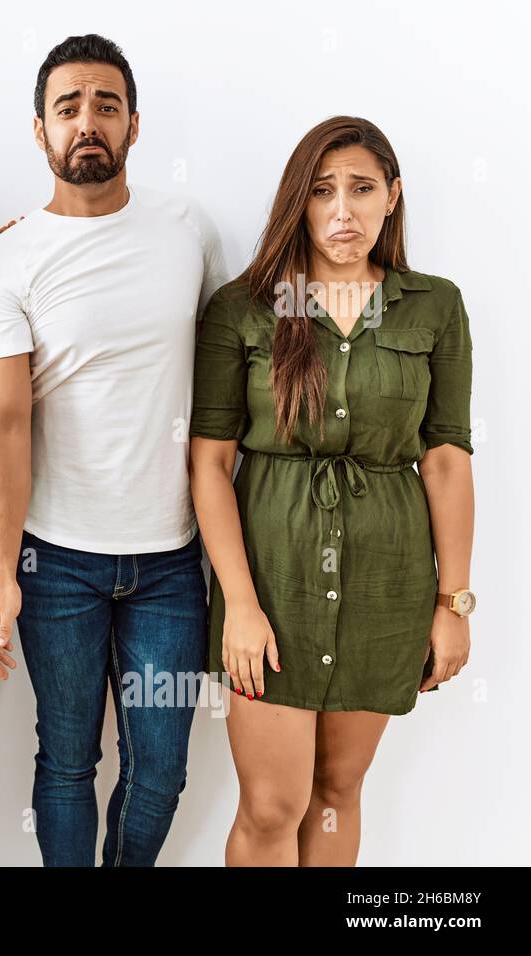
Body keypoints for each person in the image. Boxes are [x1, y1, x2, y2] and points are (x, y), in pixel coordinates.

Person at [0, 34, 228, 866]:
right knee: (68, 760)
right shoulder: (6, 259)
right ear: (39, 129)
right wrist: (2, 573)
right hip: (58, 562)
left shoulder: (189, 230)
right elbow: (0, 424)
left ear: (134, 126)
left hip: (172, 562)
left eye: (105, 105)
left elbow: (225, 367)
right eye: (67, 107)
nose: (87, 122)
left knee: (162, 773)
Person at [189, 116, 475, 866]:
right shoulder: (245, 308)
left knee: (338, 792)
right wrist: (240, 605)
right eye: (322, 192)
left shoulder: (435, 306)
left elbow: (446, 459)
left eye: (361, 189)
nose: (342, 212)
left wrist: (454, 604)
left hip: (387, 586)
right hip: (271, 584)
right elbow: (208, 466)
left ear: (393, 197)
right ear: (299, 203)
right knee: (271, 805)